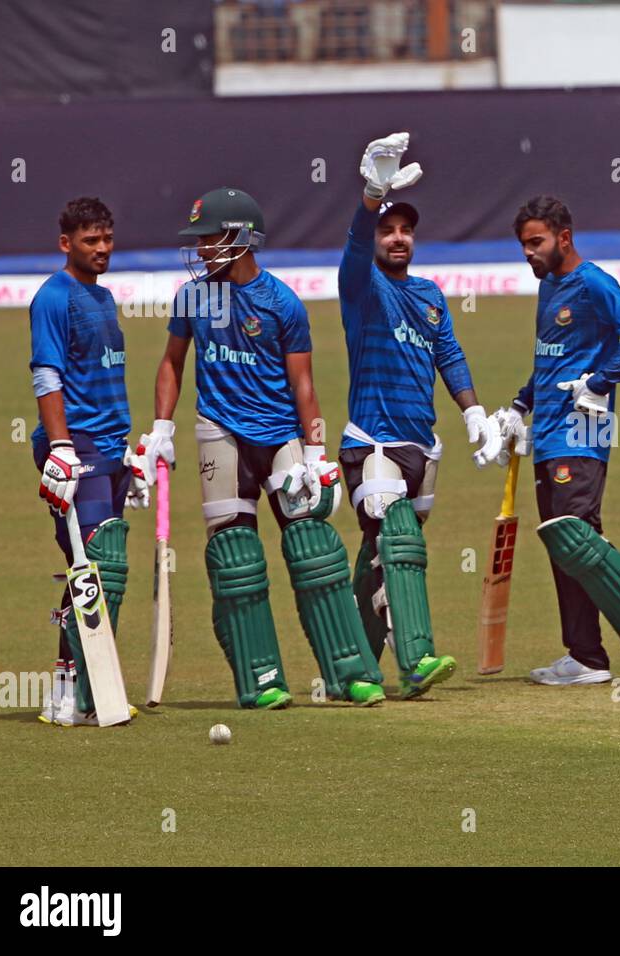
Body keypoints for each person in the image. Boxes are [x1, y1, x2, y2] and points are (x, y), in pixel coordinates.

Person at [151, 186, 386, 709]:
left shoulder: (282, 302)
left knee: (315, 551)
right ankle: (262, 680)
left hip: (280, 434)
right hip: (220, 432)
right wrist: (161, 429)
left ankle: (350, 673)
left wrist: (316, 452)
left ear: (241, 237)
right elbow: (172, 362)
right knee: (236, 560)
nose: (202, 249)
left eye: (210, 238)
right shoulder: (193, 297)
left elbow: (303, 385)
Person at [338, 132, 503, 698]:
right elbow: (356, 249)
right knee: (401, 543)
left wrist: (474, 411)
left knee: (380, 559)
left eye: (405, 229)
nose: (398, 237)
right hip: (372, 444)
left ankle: (351, 666)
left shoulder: (430, 293)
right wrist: (368, 201)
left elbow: (448, 355)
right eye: (389, 229)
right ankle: (416, 660)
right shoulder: (362, 287)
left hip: (420, 450)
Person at [494, 195, 620, 685]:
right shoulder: (549, 286)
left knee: (578, 537)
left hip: (582, 431)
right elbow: (550, 358)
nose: (529, 253)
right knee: (563, 545)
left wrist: (600, 381)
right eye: (523, 245)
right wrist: (519, 405)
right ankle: (586, 656)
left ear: (564, 237)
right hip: (548, 434)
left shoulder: (592, 282)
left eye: (537, 242)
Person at [32, 197, 145, 726]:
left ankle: (76, 688)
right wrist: (60, 449)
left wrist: (127, 451)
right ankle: (76, 693)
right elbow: (47, 376)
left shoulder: (100, 298)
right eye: (90, 240)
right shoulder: (54, 298)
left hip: (108, 446)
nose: (102, 249)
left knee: (96, 570)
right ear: (66, 243)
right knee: (100, 566)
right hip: (75, 447)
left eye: (106, 238)